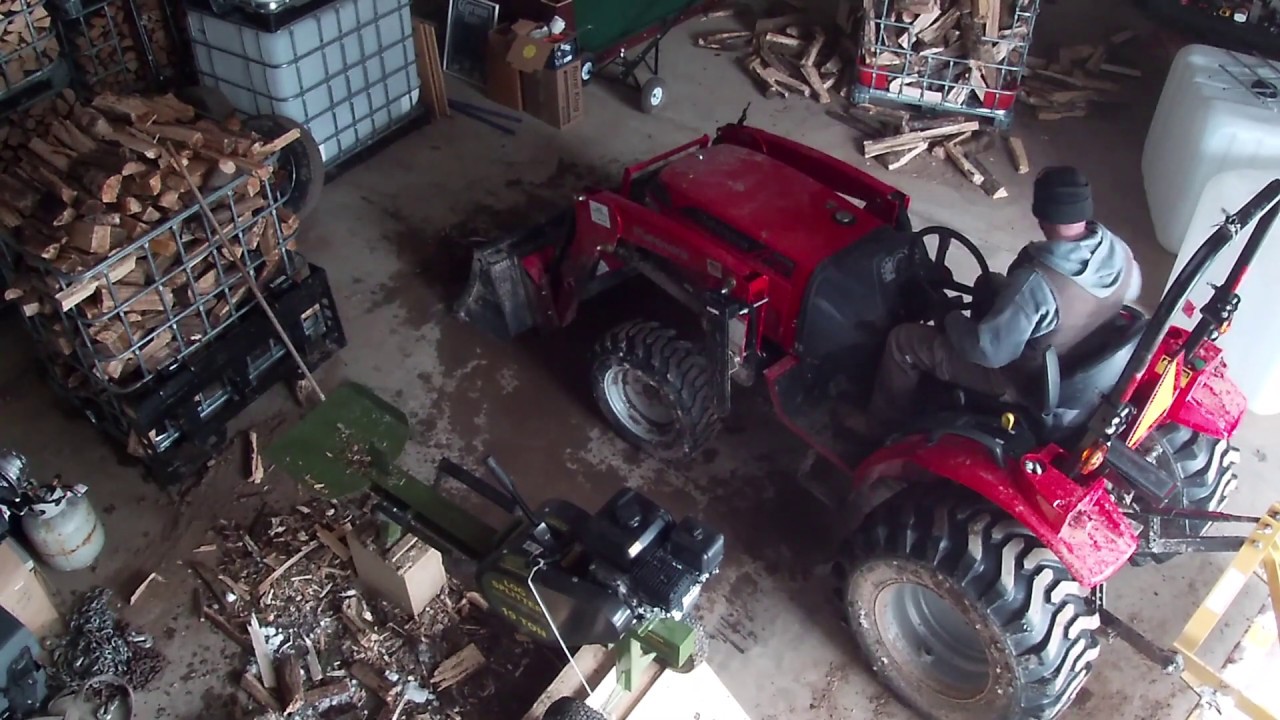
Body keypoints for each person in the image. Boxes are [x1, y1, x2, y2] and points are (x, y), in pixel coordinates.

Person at [839, 166, 1142, 438]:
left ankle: (879, 426)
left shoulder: (1037, 284)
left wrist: (948, 317)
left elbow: (987, 352)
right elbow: (1129, 292)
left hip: (1018, 381)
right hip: (1072, 363)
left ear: (1041, 215)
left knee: (903, 341)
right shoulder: (1120, 254)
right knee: (990, 283)